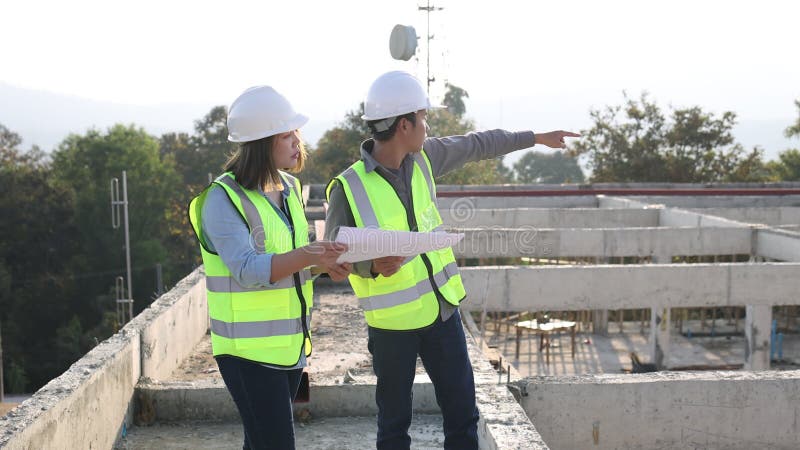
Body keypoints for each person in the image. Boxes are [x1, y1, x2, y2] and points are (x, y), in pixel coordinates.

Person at [324, 70, 579, 449]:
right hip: (392, 326)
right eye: (423, 119)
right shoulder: (349, 187)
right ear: (404, 125)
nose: (428, 127)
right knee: (393, 426)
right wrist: (370, 266)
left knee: (462, 416)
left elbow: (479, 144)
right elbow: (331, 260)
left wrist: (535, 138)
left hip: (443, 312)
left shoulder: (425, 158)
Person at [188, 85, 351, 449]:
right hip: (246, 355)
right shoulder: (222, 199)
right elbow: (247, 270)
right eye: (286, 135)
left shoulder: (289, 188)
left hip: (289, 347)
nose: (297, 141)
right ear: (262, 142)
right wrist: (311, 254)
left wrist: (324, 265)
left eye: (296, 133)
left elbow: (290, 265)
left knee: (260, 443)